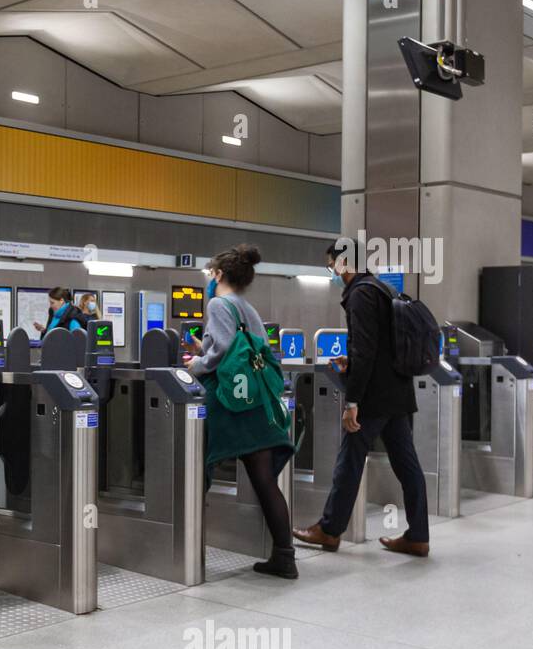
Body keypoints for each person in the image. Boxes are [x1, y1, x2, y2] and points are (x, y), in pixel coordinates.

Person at [293, 244, 430, 557]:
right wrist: (351, 362)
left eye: (332, 266)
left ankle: (329, 530)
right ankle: (419, 536)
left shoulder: (360, 294)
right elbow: (378, 349)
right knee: (407, 464)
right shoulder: (381, 288)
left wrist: (352, 401)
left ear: (344, 263)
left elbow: (366, 351)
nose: (333, 273)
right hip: (398, 392)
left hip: (375, 397)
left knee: (350, 460)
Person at [184, 245, 297, 579]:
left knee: (199, 467)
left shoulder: (218, 303)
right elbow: (248, 350)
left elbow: (219, 354)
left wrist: (195, 363)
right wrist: (205, 349)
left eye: (210, 274)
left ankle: (187, 549)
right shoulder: (248, 307)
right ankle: (284, 555)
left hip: (233, 405)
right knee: (265, 481)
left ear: (219, 274)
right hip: (257, 401)